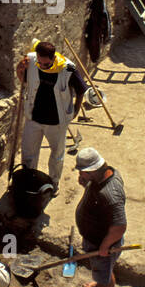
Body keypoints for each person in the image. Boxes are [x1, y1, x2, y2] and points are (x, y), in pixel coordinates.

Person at [15, 39, 86, 186]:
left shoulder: (68, 69)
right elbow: (25, 81)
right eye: (39, 63)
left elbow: (80, 91)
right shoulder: (33, 61)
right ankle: (28, 180)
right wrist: (19, 69)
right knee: (28, 153)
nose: (42, 66)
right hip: (34, 118)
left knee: (57, 155)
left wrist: (75, 111)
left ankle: (54, 182)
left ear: (54, 58)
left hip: (56, 121)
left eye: (46, 64)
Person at [73, 147, 127, 287]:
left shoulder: (111, 194)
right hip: (93, 238)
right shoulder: (102, 175)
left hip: (102, 243)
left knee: (106, 274)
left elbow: (119, 227)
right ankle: (99, 285)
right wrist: (86, 183)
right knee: (101, 271)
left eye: (83, 171)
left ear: (92, 170)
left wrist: (105, 246)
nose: (80, 173)